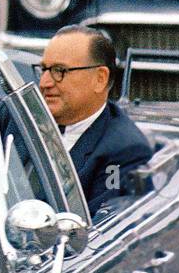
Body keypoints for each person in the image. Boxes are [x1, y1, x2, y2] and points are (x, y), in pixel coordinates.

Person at [35, 25, 152, 217]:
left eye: (59, 71)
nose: (44, 83)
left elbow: (96, 228)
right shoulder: (22, 116)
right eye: (44, 69)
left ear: (100, 78)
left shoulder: (123, 151)